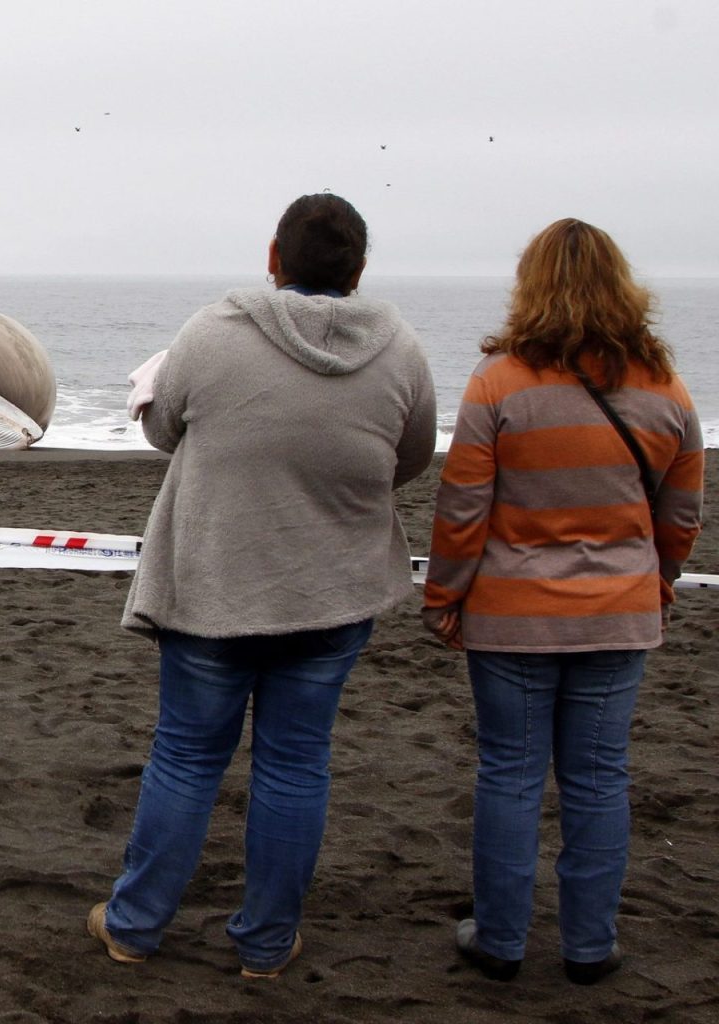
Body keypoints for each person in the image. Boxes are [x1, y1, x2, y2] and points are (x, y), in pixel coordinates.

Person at [88, 193, 437, 978]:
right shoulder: (402, 349)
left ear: (273, 258)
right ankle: (267, 944)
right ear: (360, 270)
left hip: (215, 587)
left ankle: (135, 926)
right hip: (333, 595)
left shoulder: (212, 333)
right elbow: (410, 461)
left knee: (184, 758)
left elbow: (162, 429)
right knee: (295, 765)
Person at [423, 218, 704, 986]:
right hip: (619, 612)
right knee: (599, 777)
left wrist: (444, 595)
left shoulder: (499, 384)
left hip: (512, 615)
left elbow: (462, 508)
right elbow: (680, 517)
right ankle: (589, 945)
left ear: (530, 286)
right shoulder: (666, 390)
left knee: (510, 775)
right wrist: (662, 579)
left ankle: (502, 939)